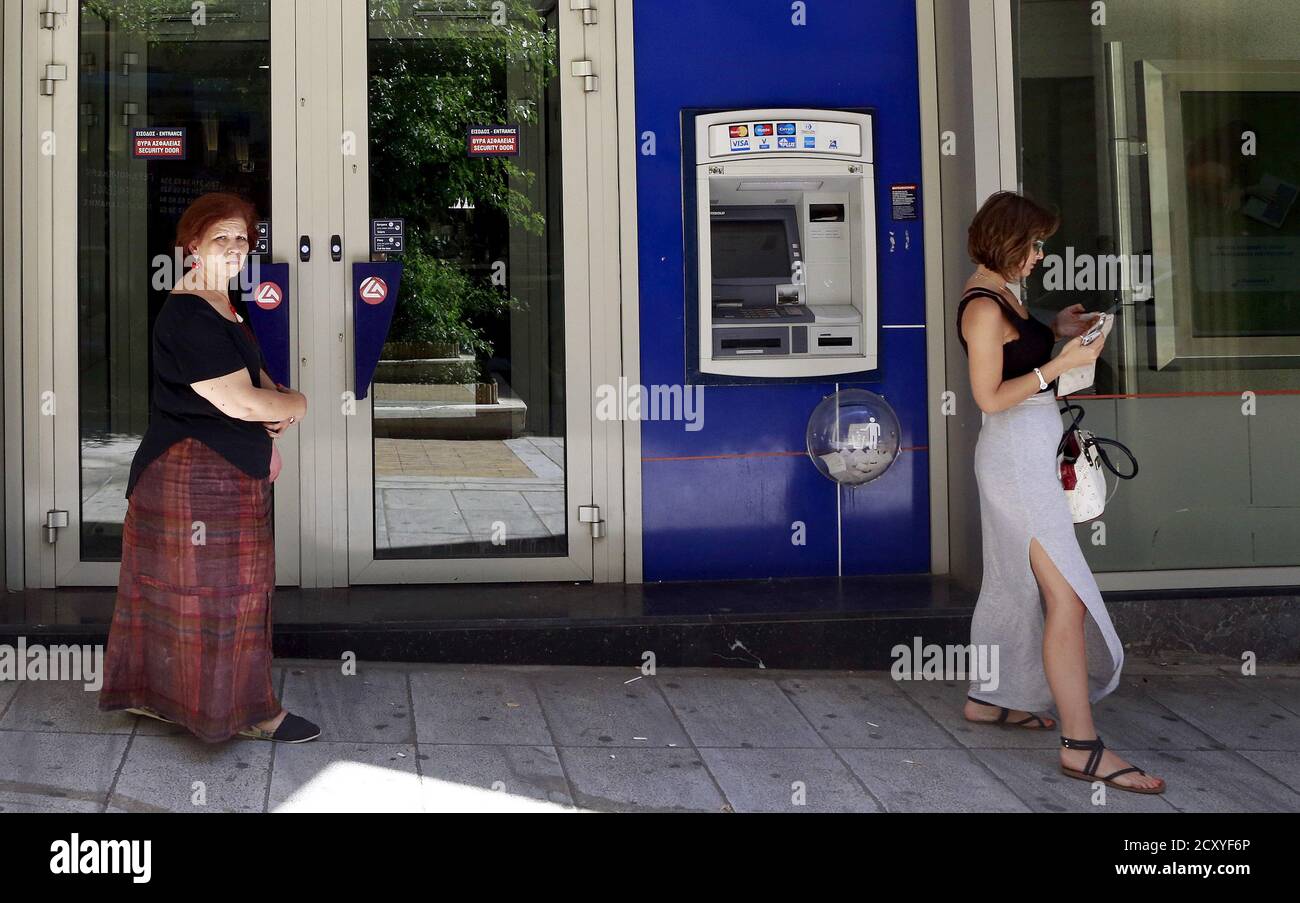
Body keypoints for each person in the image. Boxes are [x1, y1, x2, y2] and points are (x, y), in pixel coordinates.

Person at [955, 191, 1165, 794]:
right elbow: (989, 397)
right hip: (1015, 459)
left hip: (1027, 453)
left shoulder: (1003, 297)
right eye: (1035, 244)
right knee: (1065, 597)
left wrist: (1055, 332)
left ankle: (991, 699)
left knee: (1010, 581)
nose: (1041, 255)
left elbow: (1016, 353)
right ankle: (1082, 746)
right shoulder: (982, 307)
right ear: (1006, 242)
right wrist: (1059, 362)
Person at [98, 192, 320, 744]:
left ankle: (163, 701)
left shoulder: (221, 304)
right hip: (195, 483)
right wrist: (299, 405)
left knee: (182, 598)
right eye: (221, 237)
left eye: (243, 237)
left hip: (211, 476)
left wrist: (277, 400)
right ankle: (251, 715)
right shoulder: (189, 312)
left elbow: (254, 378)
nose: (236, 247)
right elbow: (239, 402)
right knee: (224, 600)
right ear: (192, 246)